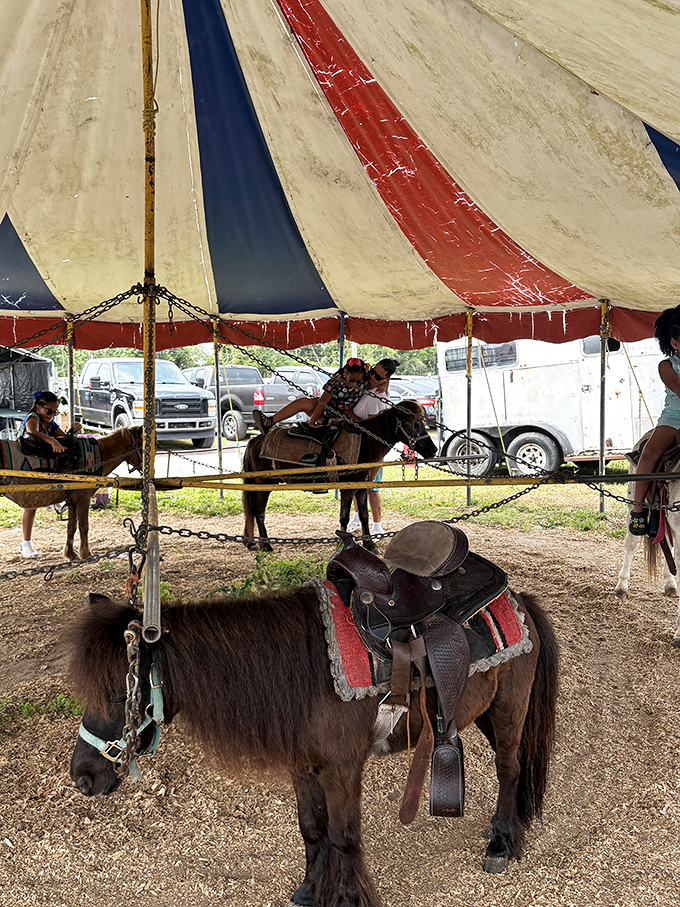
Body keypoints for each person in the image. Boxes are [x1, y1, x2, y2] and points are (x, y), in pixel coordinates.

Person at [629, 305, 680, 535]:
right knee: (650, 452)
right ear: (674, 343)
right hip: (674, 418)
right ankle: (638, 510)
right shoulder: (667, 366)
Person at [17, 390, 81, 558]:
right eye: (49, 411)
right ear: (38, 407)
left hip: (44, 460)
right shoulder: (34, 418)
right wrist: (51, 440)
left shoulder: (50, 423)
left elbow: (64, 437)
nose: (52, 415)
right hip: (27, 460)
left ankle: (58, 495)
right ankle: (26, 543)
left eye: (55, 412)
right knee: (30, 503)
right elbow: (32, 432)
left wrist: (72, 432)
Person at [346, 358, 400, 535]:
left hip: (372, 447)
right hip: (358, 444)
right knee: (356, 483)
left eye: (377, 376)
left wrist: (352, 418)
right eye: (372, 371)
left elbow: (374, 427)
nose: (372, 376)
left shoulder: (379, 397)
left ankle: (377, 526)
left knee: (372, 486)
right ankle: (356, 518)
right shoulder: (366, 386)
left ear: (386, 379)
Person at [253, 358, 370, 434]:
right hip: (327, 414)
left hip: (346, 415)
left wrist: (384, 385)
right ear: (345, 372)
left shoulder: (365, 377)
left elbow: (379, 378)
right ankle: (270, 421)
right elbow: (323, 402)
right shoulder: (336, 381)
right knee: (304, 402)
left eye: (358, 381)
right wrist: (312, 422)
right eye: (352, 380)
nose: (355, 384)